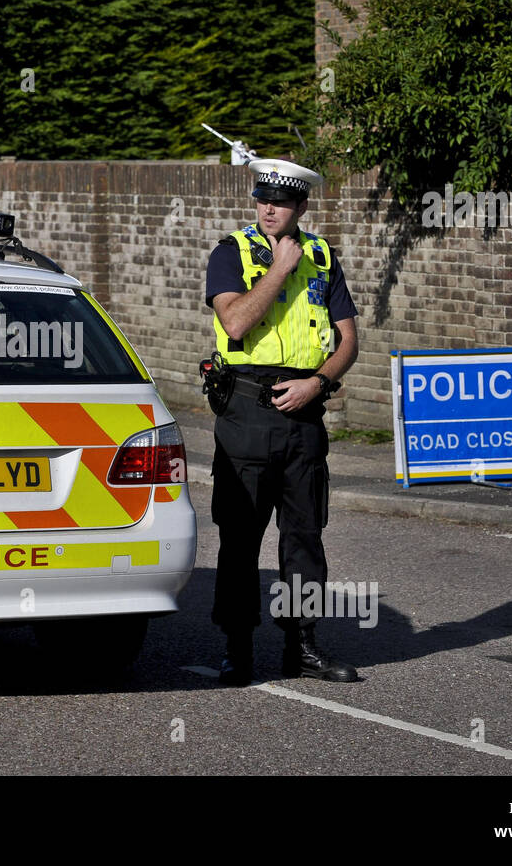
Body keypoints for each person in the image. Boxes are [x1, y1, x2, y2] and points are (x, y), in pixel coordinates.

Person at [204, 158, 360, 685]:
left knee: (304, 537)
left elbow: (349, 340)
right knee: (241, 537)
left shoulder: (322, 256)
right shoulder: (231, 253)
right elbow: (235, 320)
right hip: (247, 409)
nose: (270, 208)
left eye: (283, 201)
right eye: (263, 199)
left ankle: (303, 646)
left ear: (302, 206)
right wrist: (279, 269)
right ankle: (237, 647)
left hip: (305, 410)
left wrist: (319, 383)